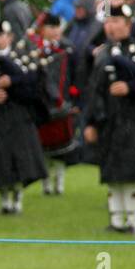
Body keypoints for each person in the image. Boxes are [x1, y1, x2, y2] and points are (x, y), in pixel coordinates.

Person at [83, 0, 135, 234]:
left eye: (117, 20)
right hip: (109, 119)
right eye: (108, 21)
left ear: (129, 23)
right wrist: (90, 121)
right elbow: (94, 90)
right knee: (112, 171)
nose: (111, 26)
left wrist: (132, 87)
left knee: (132, 171)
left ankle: (132, 220)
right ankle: (116, 220)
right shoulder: (103, 53)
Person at [0, 20, 47, 213]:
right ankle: (4, 199)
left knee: (19, 157)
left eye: (1, 35)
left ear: (10, 37)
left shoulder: (23, 57)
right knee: (0, 159)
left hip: (18, 115)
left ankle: (17, 196)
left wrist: (13, 81)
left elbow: (34, 83)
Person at [35, 12, 80, 195]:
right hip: (42, 105)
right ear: (42, 29)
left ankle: (59, 183)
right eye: (50, 27)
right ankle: (45, 182)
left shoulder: (67, 50)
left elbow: (76, 75)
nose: (55, 31)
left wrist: (74, 98)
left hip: (63, 104)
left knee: (62, 149)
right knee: (44, 147)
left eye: (57, 27)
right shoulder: (35, 49)